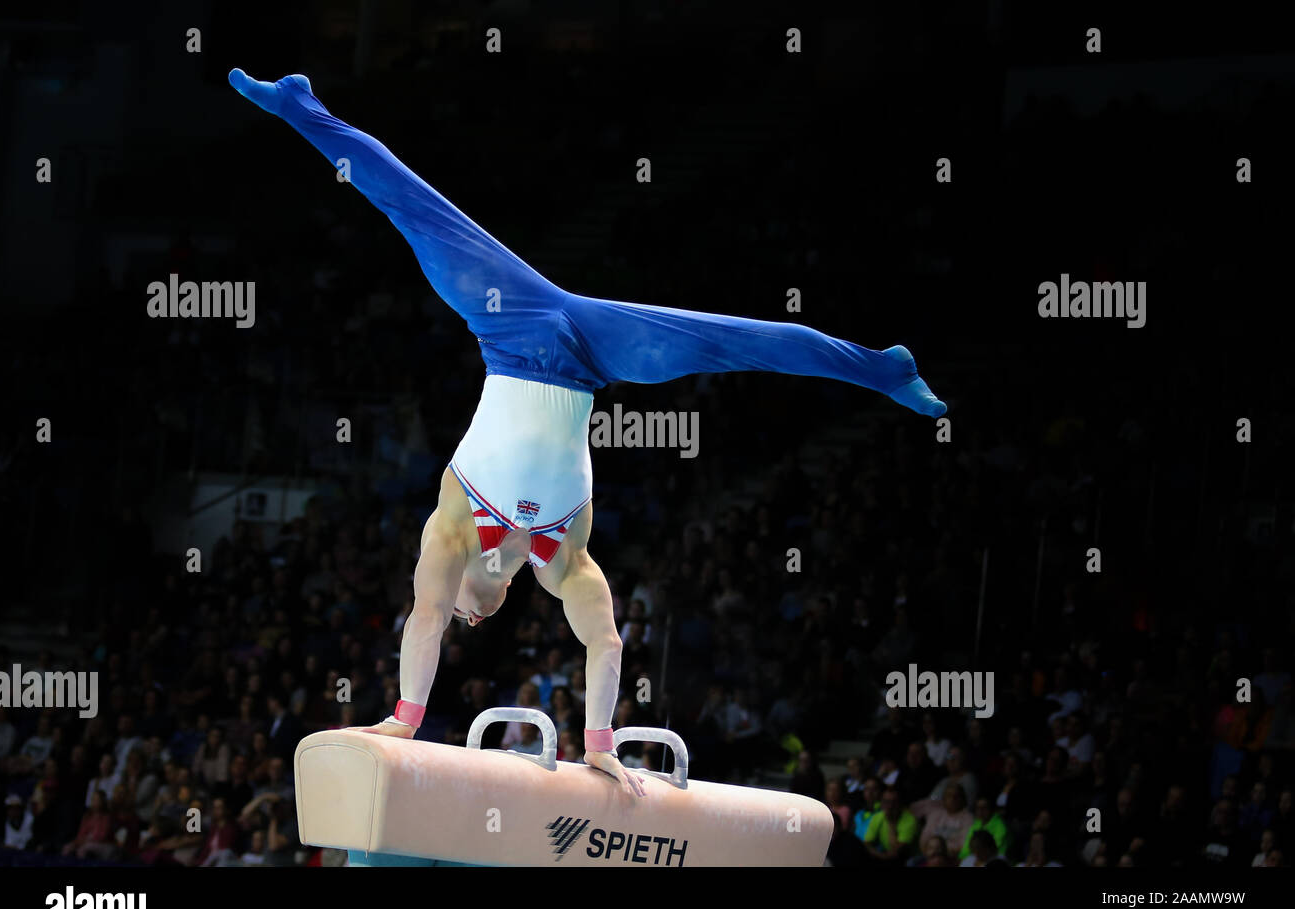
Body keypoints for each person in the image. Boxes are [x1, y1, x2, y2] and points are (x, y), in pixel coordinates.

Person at [228, 69, 946, 797]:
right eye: (473, 617)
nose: (467, 618)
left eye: (461, 613)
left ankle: (299, 105)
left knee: (412, 207)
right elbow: (605, 644)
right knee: (736, 344)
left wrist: (406, 721)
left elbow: (426, 617)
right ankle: (886, 370)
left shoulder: (449, 531)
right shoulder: (563, 560)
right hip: (592, 358)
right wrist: (598, 744)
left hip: (510, 324)